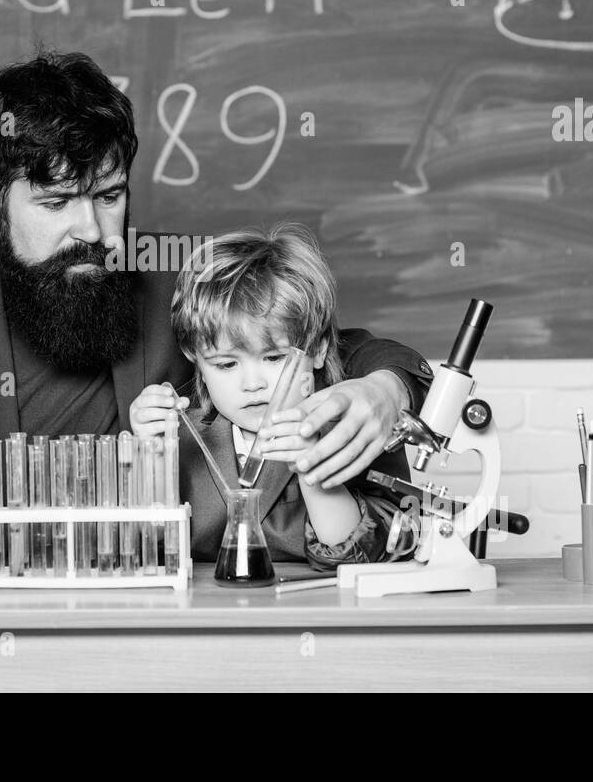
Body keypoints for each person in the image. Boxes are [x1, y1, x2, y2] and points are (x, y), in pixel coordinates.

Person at [0, 49, 433, 557]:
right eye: (55, 204)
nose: (93, 231)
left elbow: (333, 345)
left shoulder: (180, 284)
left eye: (109, 195)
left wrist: (387, 390)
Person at [130, 224, 420, 567]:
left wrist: (314, 471)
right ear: (196, 360)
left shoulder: (355, 430)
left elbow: (366, 552)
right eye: (225, 365)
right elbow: (152, 550)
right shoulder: (184, 438)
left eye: (274, 358)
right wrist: (150, 458)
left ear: (317, 349)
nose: (252, 383)